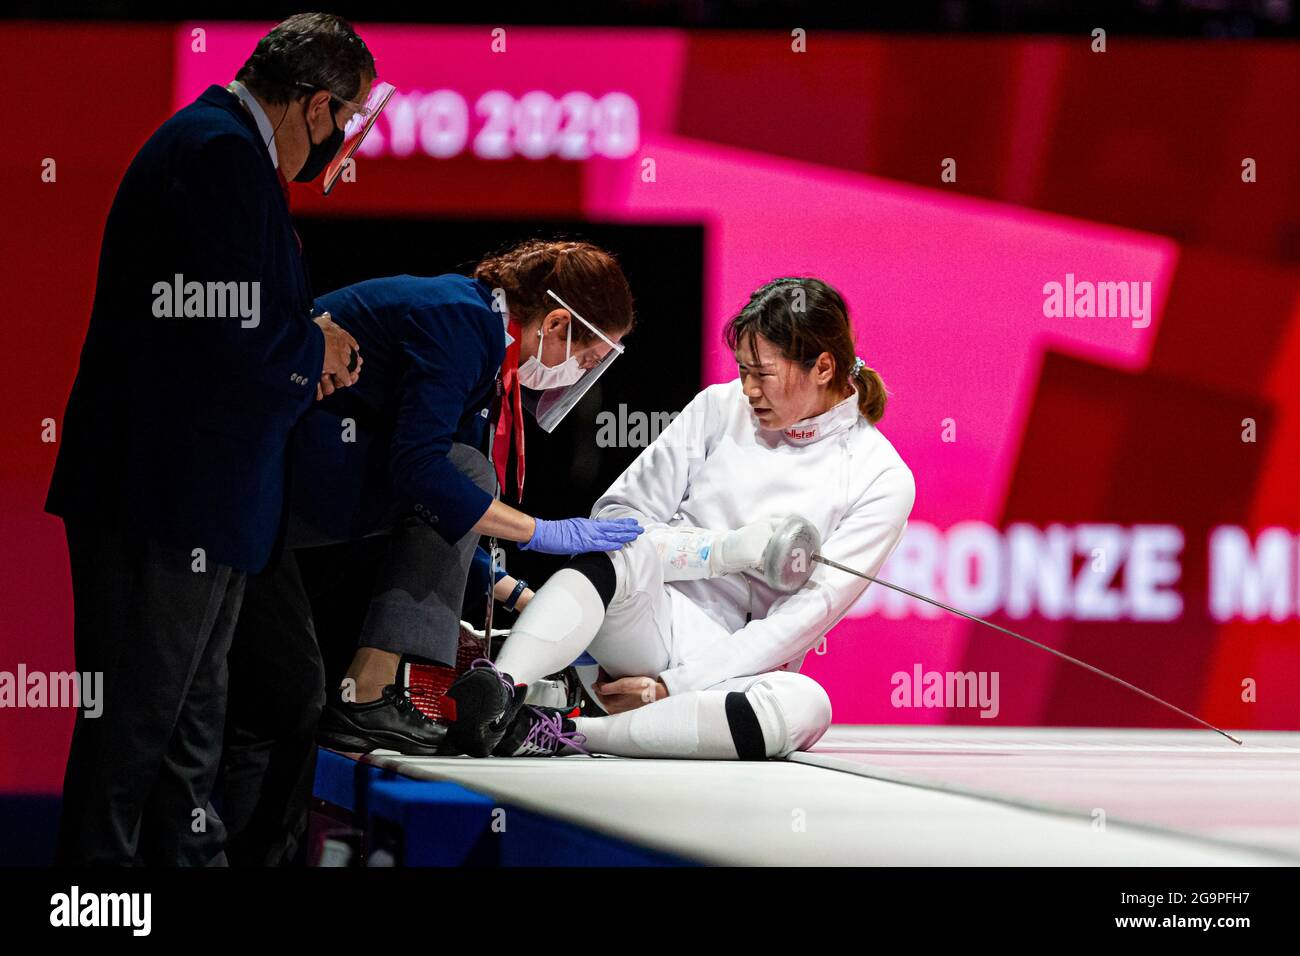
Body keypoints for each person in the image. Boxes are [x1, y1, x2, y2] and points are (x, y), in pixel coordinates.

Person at [45, 13, 375, 866]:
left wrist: (300, 342)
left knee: (183, 737)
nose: (341, 144)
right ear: (313, 104)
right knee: (136, 736)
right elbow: (231, 327)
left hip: (200, 501)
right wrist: (318, 346)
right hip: (167, 498)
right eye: (345, 121)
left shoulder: (221, 149)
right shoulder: (220, 153)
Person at [218, 239, 642, 864]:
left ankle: (351, 725)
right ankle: (370, 694)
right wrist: (543, 532)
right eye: (586, 355)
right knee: (278, 695)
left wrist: (518, 593)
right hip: (254, 494)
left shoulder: (479, 336)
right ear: (556, 323)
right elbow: (422, 471)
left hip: (283, 500)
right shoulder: (462, 322)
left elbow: (437, 514)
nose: (579, 373)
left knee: (286, 698)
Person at [446, 277, 916, 760]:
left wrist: (670, 686)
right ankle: (501, 688)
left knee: (808, 706)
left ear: (822, 367)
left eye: (764, 373)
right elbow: (618, 518)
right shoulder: (719, 406)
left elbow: (804, 618)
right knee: (618, 543)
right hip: (646, 621)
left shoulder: (880, 478)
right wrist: (720, 553)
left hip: (731, 671)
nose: (748, 389)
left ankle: (554, 731)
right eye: (743, 370)